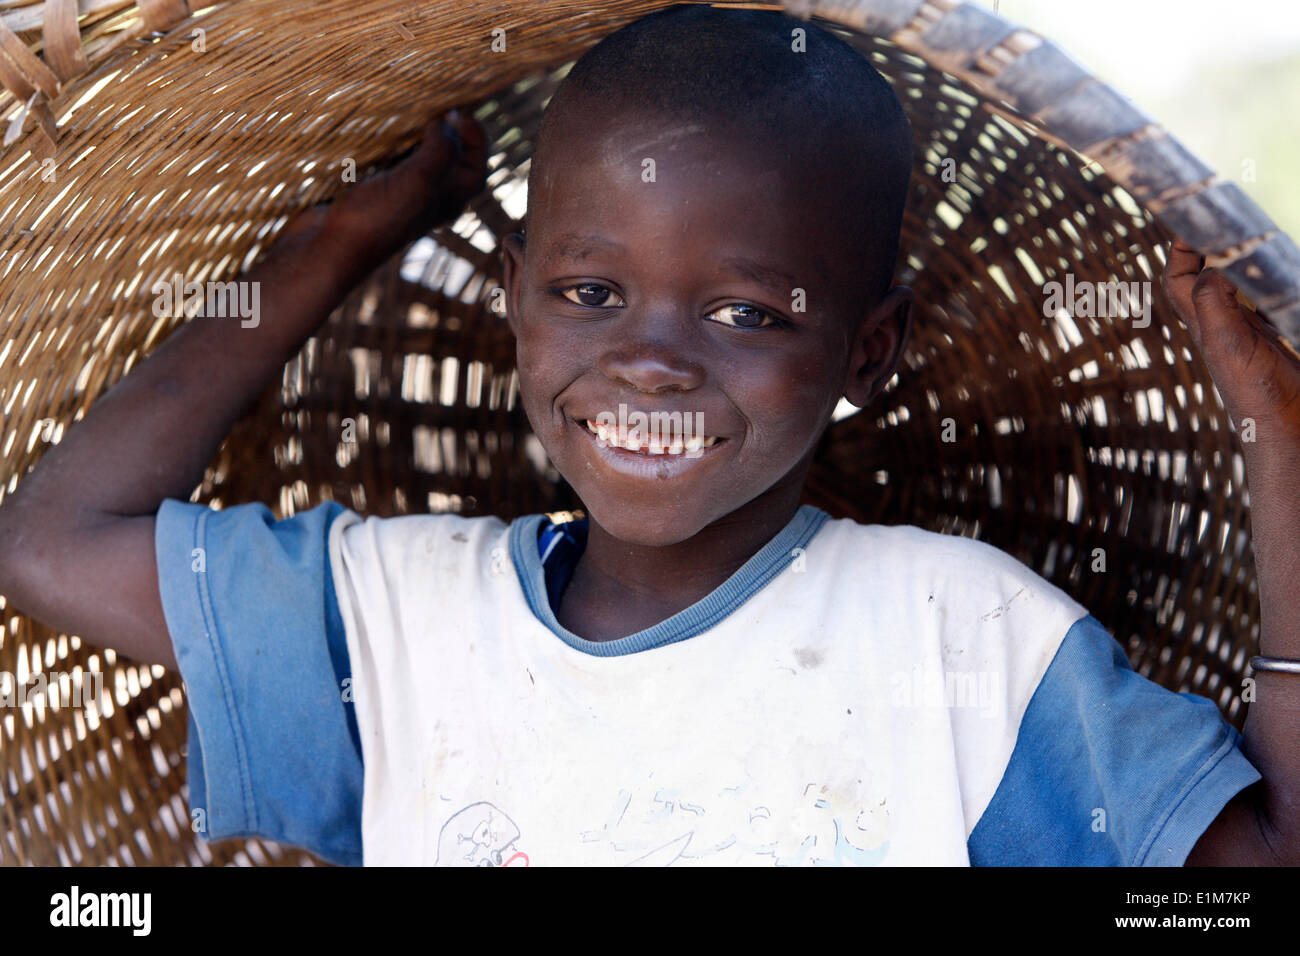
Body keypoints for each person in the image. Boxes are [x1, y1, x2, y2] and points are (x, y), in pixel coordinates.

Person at [1, 4, 1296, 866]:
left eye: (745, 309)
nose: (650, 359)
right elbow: (50, 544)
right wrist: (345, 239)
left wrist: (1275, 439)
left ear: (869, 351)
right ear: (513, 293)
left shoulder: (969, 644)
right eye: (588, 292)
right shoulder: (392, 623)